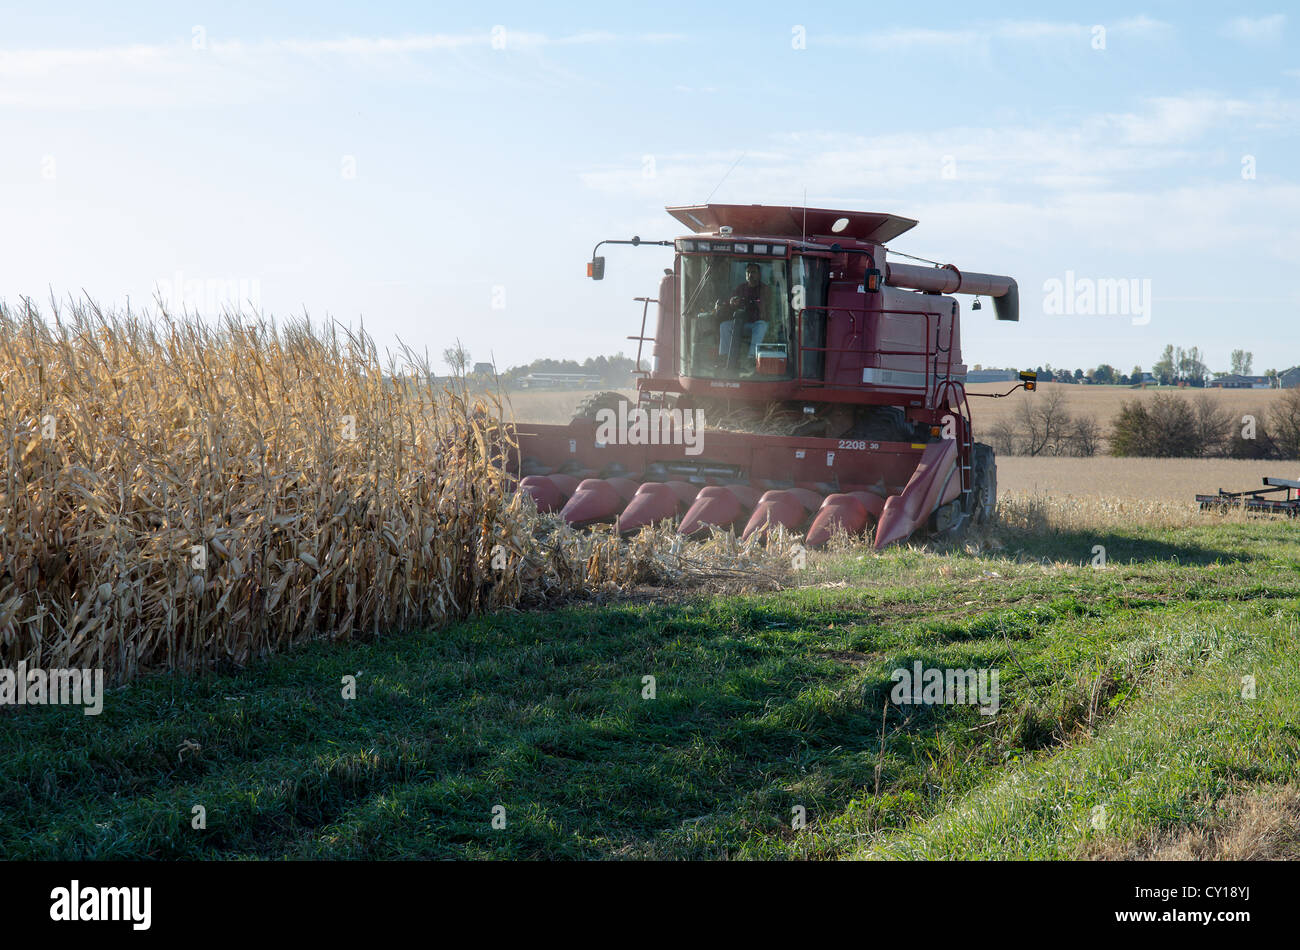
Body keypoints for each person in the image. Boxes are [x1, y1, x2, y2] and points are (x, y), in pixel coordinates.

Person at [715, 263, 768, 370]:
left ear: (759, 274)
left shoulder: (764, 289)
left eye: (753, 272)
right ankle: (724, 358)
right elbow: (731, 301)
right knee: (725, 325)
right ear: (745, 274)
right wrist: (731, 303)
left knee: (761, 325)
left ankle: (751, 358)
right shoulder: (741, 288)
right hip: (742, 323)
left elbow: (764, 309)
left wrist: (750, 303)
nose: (750, 275)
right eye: (748, 272)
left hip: (756, 324)